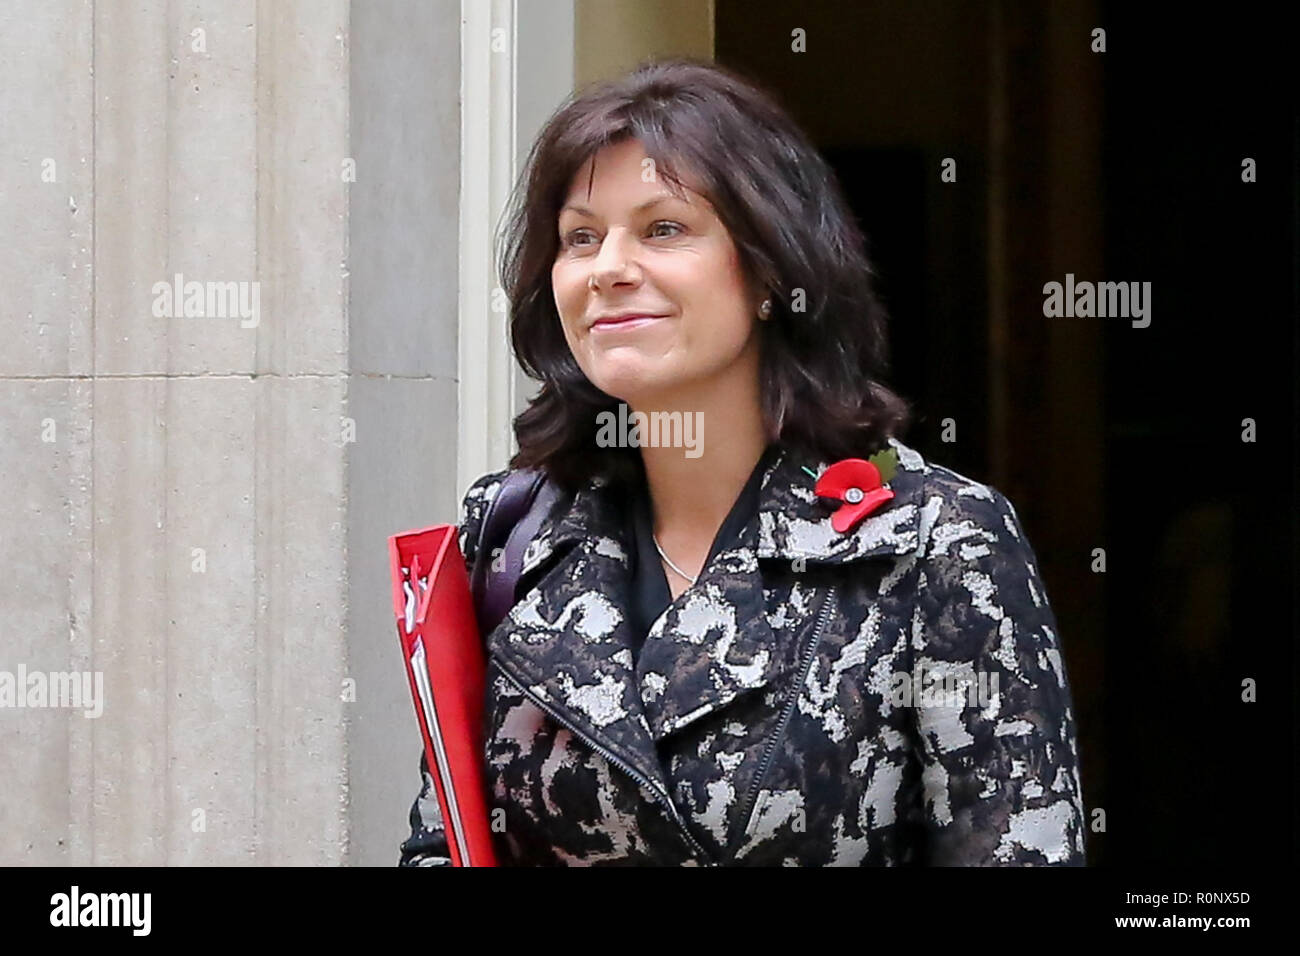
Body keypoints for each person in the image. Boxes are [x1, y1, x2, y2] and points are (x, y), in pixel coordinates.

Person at [399, 58, 1086, 866]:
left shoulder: (934, 538)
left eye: (663, 229)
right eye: (580, 237)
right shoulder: (514, 529)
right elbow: (441, 841)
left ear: (769, 271)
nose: (609, 268)